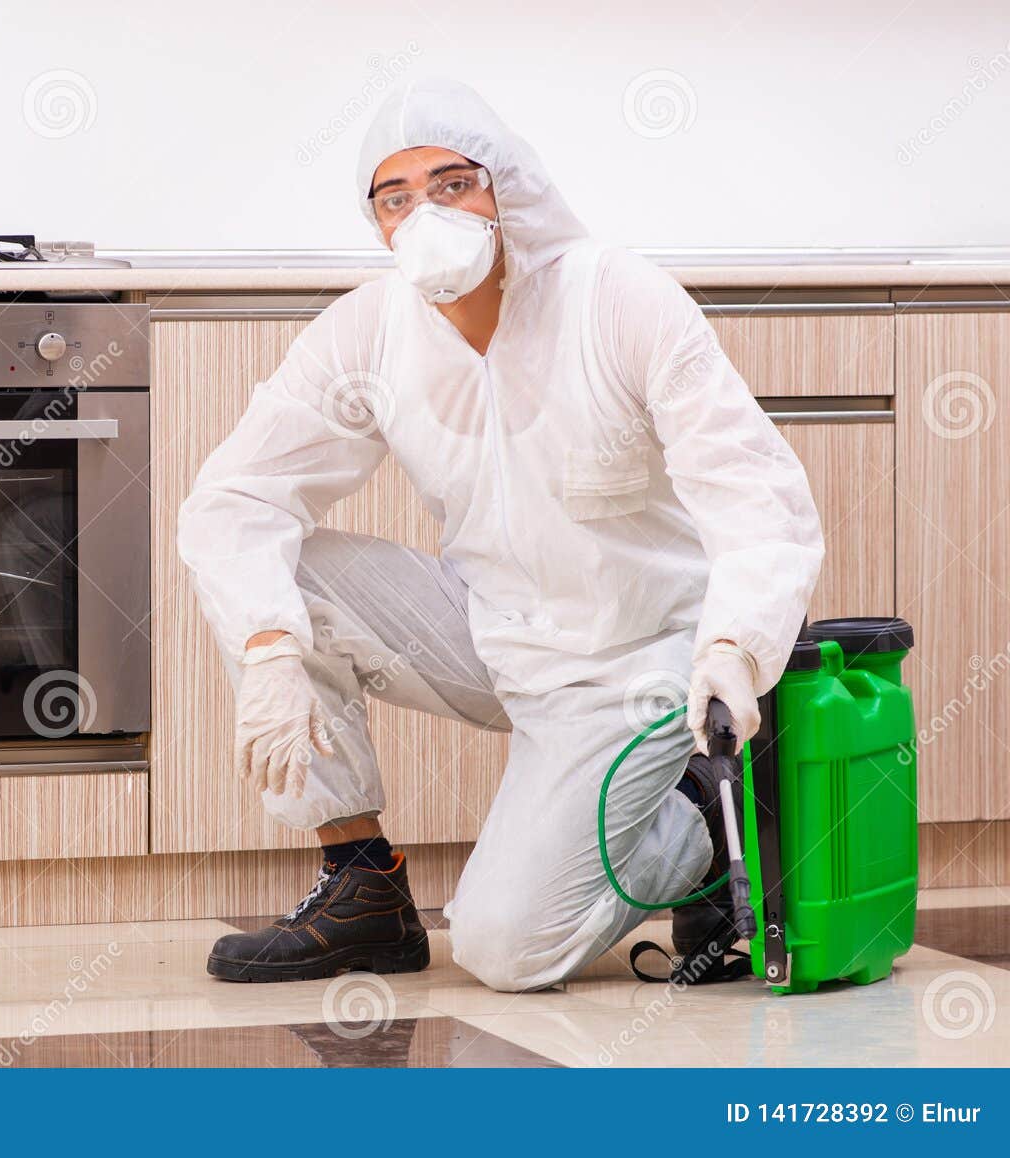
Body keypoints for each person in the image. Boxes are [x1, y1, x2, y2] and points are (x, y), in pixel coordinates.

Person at [176, 76, 823, 991]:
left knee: (502, 949)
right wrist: (271, 644)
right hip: (495, 629)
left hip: (637, 665)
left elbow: (757, 494)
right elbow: (235, 498)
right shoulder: (369, 331)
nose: (425, 214)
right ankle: (361, 884)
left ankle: (695, 829)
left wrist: (733, 647)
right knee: (286, 582)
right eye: (395, 198)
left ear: (506, 188)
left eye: (451, 184)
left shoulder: (617, 300)